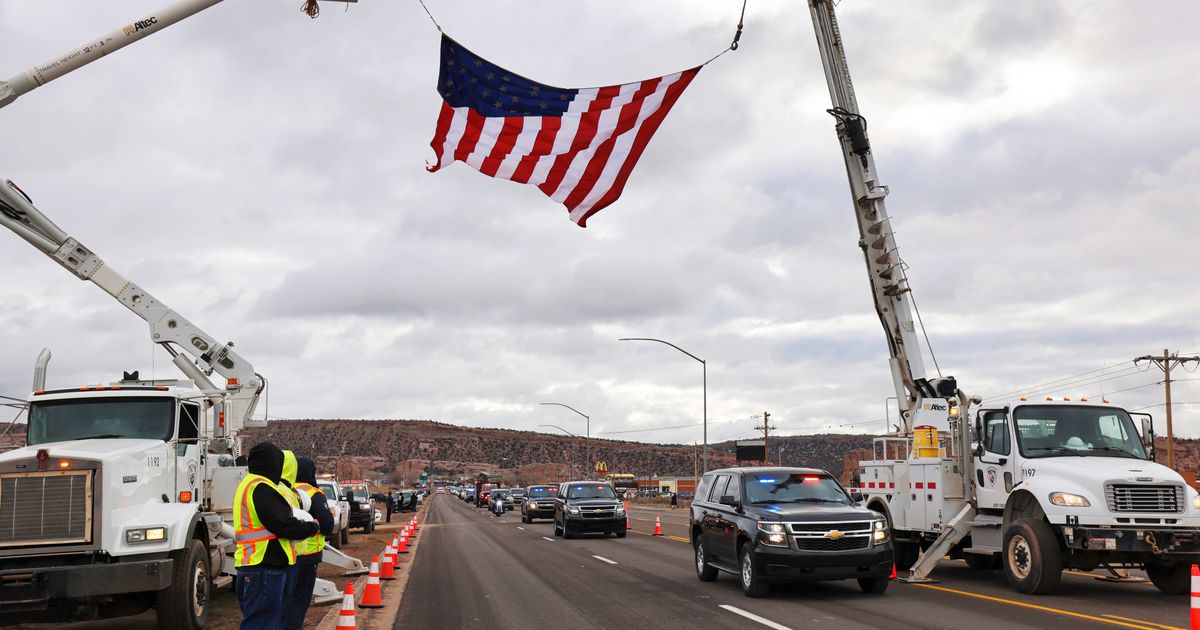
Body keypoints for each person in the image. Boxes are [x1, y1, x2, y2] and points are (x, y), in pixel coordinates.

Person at [233, 443, 319, 630]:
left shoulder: (251, 484)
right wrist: (311, 527)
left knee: (268, 622)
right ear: (272, 463)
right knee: (262, 624)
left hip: (257, 566)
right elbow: (283, 525)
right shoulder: (261, 487)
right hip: (263, 568)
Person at [284, 456, 335, 630]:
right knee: (299, 600)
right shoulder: (313, 493)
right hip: (308, 554)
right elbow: (327, 525)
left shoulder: (285, 490)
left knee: (285, 599)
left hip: (286, 553)